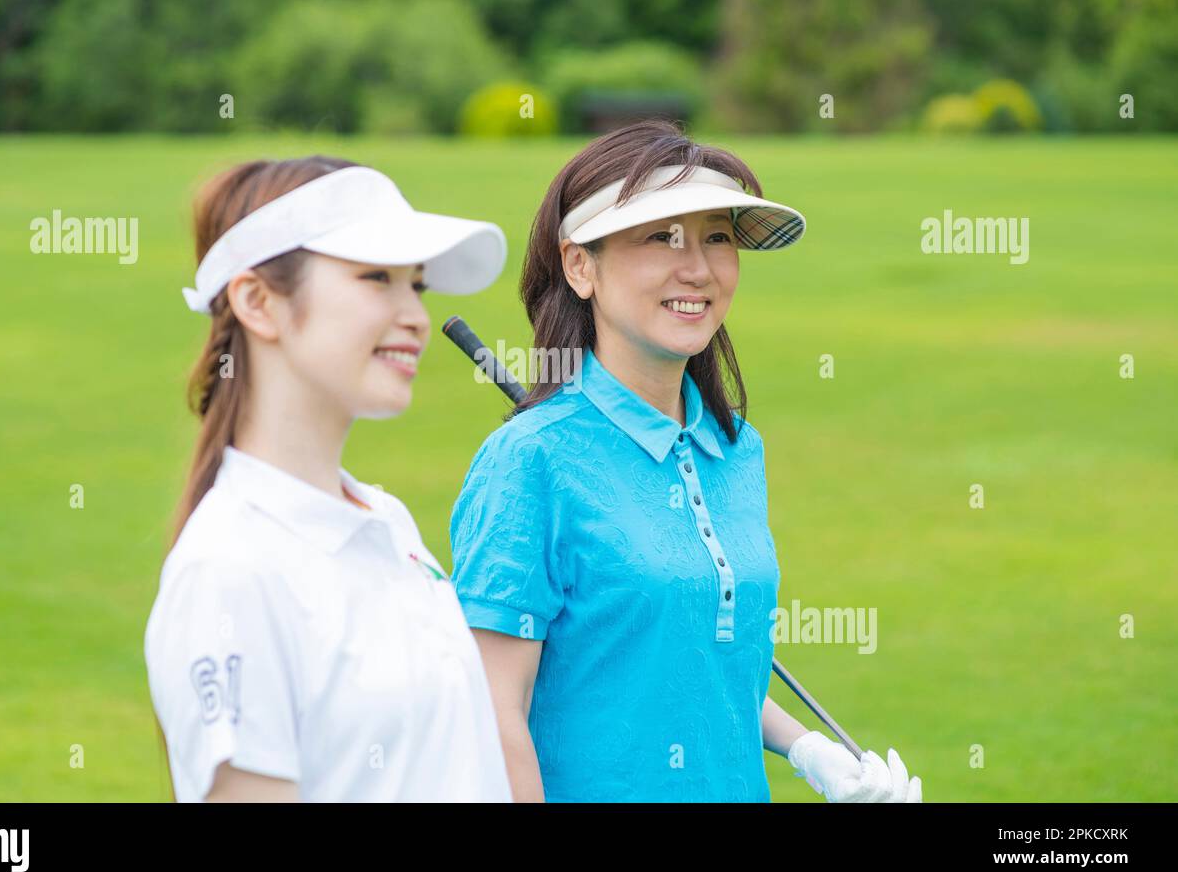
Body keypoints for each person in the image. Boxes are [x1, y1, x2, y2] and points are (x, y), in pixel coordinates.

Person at [450, 120, 923, 802]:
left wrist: (807, 747)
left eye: (718, 237)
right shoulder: (528, 462)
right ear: (580, 264)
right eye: (661, 236)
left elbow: (691, 654)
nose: (697, 268)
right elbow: (495, 714)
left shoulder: (735, 449)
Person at [146, 156, 513, 802]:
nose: (417, 317)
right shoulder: (229, 572)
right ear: (258, 302)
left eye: (417, 286)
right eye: (377, 278)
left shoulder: (386, 520)